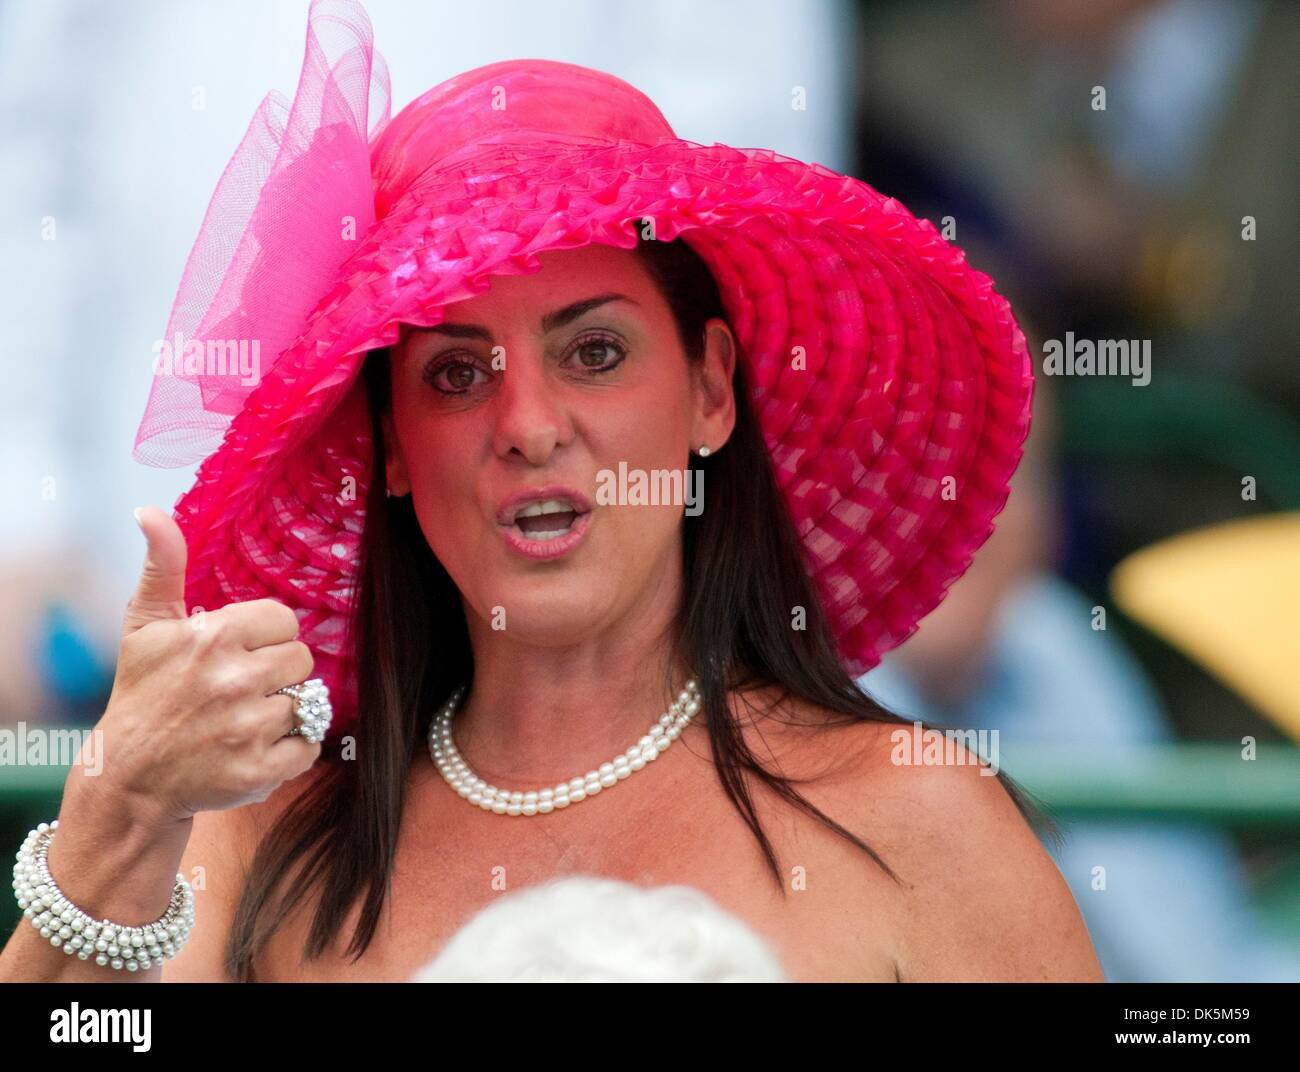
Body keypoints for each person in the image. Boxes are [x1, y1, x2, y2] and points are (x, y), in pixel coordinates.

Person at [0, 0, 1102, 983]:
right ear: (391, 445)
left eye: (594, 354)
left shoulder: (920, 825)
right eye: (456, 372)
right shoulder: (262, 837)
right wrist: (116, 811)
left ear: (712, 390)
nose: (527, 426)